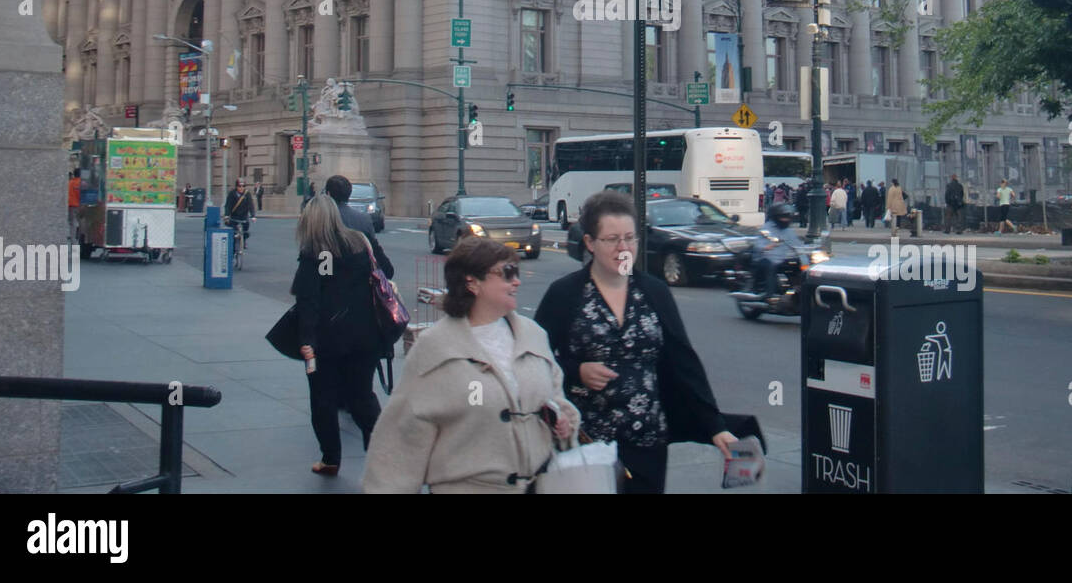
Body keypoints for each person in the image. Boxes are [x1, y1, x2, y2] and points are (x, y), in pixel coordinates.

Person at [535, 190, 740, 495]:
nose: (624, 248)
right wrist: (576, 370)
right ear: (590, 243)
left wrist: (716, 426)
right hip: (585, 444)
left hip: (647, 441)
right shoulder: (565, 294)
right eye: (613, 239)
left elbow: (683, 361)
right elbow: (535, 359)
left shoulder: (653, 291)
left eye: (631, 238)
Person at [363, 236, 576, 493]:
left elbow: (556, 399)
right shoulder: (435, 347)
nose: (517, 281)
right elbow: (401, 441)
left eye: (517, 272)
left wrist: (563, 422)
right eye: (507, 273)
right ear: (472, 282)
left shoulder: (533, 335)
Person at [293, 194, 394, 477]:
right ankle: (381, 455)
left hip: (327, 340)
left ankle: (331, 459)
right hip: (366, 334)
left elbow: (308, 303)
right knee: (362, 395)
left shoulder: (313, 254)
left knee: (323, 400)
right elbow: (387, 270)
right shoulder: (362, 241)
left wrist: (307, 341)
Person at [753, 202, 803, 297]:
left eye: (788, 217)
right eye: (784, 217)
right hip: (766, 258)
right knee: (770, 267)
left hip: (783, 258)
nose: (786, 219)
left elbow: (797, 244)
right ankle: (770, 294)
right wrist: (767, 247)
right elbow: (759, 244)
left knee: (799, 267)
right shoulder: (766, 229)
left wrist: (809, 249)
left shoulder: (788, 231)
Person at [223, 179, 255, 250]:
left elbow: (251, 205)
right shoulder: (232, 194)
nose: (241, 188)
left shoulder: (247, 194)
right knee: (234, 233)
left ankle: (244, 240)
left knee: (246, 229)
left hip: (244, 216)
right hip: (234, 216)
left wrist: (253, 216)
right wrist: (226, 215)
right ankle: (233, 249)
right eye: (239, 186)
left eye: (243, 186)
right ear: (236, 186)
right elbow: (228, 205)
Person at [68, 169, 81, 241]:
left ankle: (73, 238)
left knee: (72, 223)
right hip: (80, 206)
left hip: (71, 205)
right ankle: (79, 237)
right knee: (81, 222)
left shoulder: (70, 183)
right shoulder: (82, 183)